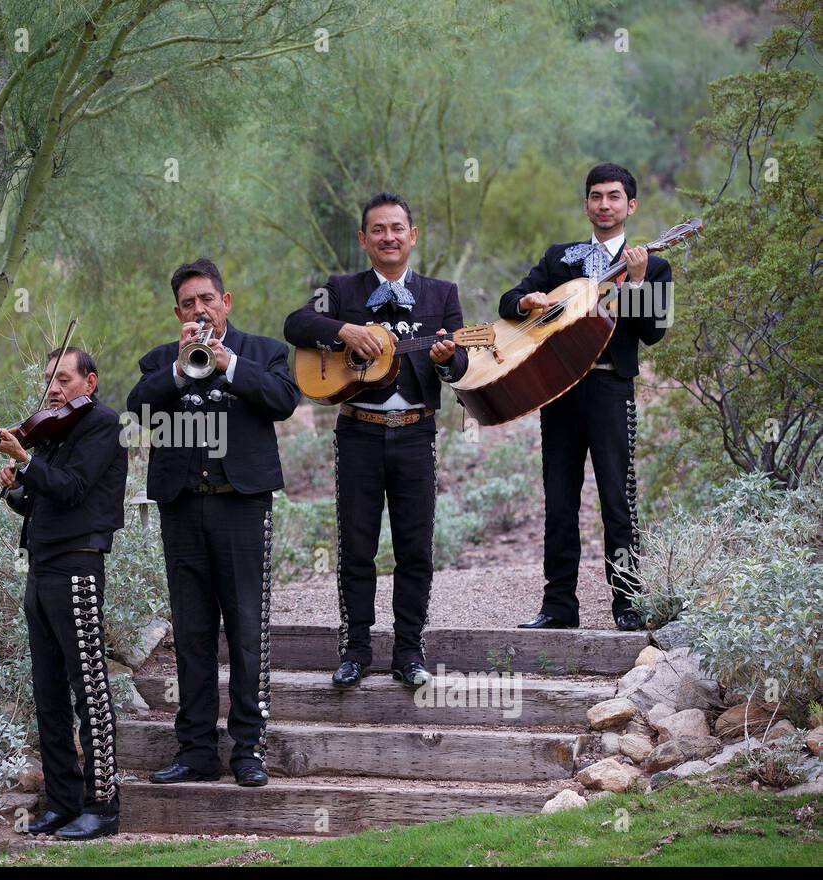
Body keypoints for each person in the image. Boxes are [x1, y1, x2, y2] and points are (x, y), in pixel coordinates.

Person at [284, 191, 468, 689]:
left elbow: (462, 364)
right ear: (364, 240)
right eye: (378, 230)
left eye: (397, 228)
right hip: (358, 432)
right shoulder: (341, 288)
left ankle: (409, 650)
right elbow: (295, 324)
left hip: (416, 434)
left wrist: (446, 358)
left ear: (413, 235)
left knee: (415, 549)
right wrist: (344, 330)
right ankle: (356, 650)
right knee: (356, 545)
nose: (389, 237)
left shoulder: (441, 294)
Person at [126, 257, 299, 787]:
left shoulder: (265, 353)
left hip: (241, 506)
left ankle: (248, 749)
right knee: (194, 633)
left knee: (247, 630)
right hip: (182, 507)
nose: (198, 310)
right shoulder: (161, 362)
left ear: (226, 302)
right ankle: (196, 750)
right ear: (176, 311)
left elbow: (283, 402)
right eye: (187, 303)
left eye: (207, 300)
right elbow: (137, 411)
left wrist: (229, 365)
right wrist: (180, 369)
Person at [498, 162, 671, 632]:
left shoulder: (653, 265)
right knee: (559, 500)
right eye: (596, 196)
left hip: (611, 388)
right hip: (558, 390)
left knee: (618, 498)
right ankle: (558, 606)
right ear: (586, 205)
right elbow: (508, 300)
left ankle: (628, 602)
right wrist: (526, 303)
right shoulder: (560, 259)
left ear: (630, 206)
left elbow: (653, 333)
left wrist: (634, 285)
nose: (604, 205)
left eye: (614, 197)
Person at [0, 346, 127, 839]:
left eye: (64, 378)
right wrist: (16, 484)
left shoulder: (104, 424)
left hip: (79, 566)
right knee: (48, 693)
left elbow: (73, 489)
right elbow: (41, 502)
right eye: (49, 380)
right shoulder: (52, 430)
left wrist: (26, 458)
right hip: (41, 568)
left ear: (90, 381)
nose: (54, 388)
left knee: (89, 689)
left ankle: (103, 807)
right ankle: (62, 803)